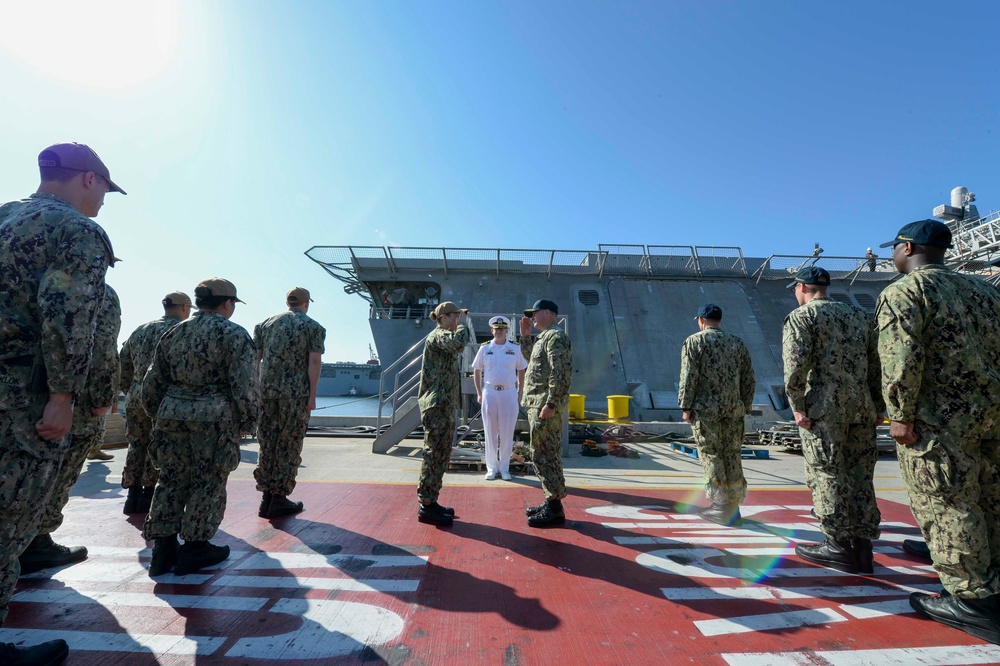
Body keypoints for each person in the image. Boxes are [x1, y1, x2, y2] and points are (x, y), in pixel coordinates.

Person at [0, 142, 123, 665]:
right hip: (22, 399)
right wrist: (62, 397)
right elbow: (66, 316)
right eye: (104, 191)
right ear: (89, 179)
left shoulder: (5, 217)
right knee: (7, 525)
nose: (102, 203)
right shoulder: (77, 230)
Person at [876, 219, 1000, 644]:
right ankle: (993, 581)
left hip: (938, 422)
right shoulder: (988, 290)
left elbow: (901, 358)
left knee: (948, 502)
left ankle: (972, 600)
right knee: (989, 498)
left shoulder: (906, 292)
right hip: (991, 415)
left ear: (907, 247)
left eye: (894, 248)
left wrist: (899, 414)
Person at [141, 278, 259, 577]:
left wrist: (160, 413)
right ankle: (195, 548)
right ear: (227, 303)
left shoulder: (173, 332)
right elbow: (243, 384)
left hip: (171, 415)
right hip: (214, 419)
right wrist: (248, 420)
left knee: (170, 478)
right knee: (208, 481)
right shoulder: (233, 334)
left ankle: (163, 549)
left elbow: (153, 381)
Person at [782, 266, 884, 574]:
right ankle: (864, 549)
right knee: (860, 477)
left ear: (802, 287)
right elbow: (875, 365)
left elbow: (795, 366)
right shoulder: (860, 317)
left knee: (828, 475)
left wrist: (797, 405)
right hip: (862, 410)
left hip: (824, 411)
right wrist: (878, 406)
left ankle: (838, 547)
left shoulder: (802, 317)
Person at [19, 285, 121, 575]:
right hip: (71, 399)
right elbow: (101, 345)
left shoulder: (25, 274)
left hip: (16, 390)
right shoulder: (97, 290)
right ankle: (35, 542)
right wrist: (102, 397)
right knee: (58, 471)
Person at [678, 304, 755, 526]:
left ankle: (720, 506)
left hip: (706, 411)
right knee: (732, 454)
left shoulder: (694, 342)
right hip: (733, 411)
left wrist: (686, 406)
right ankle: (733, 506)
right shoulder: (737, 343)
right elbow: (749, 378)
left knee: (711, 454)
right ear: (719, 320)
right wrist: (745, 405)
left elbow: (689, 376)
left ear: (701, 320)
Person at [253, 287, 326, 518]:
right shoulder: (314, 327)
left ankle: (266, 498)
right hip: (295, 396)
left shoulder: (264, 325)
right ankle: (279, 498)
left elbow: (255, 361)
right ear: (306, 303)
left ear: (288, 303)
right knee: (289, 444)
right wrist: (312, 395)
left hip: (267, 393)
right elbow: (314, 363)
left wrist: (256, 390)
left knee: (268, 443)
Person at [119, 291, 192, 514]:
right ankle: (148, 496)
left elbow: (123, 364)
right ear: (183, 308)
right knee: (157, 447)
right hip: (163, 400)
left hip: (135, 397)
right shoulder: (181, 331)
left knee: (136, 444)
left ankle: (132, 495)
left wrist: (131, 389)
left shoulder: (141, 329)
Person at [519, 299, 573, 528]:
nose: (532, 317)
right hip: (537, 404)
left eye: (535, 313)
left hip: (544, 406)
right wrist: (525, 336)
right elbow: (531, 359)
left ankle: (554, 507)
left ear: (549, 313)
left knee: (545, 454)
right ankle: (552, 502)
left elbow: (560, 372)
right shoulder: (545, 337)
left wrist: (551, 403)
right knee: (542, 453)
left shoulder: (556, 337)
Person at [415, 302, 470, 526]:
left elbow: (456, 347)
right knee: (434, 454)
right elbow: (458, 341)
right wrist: (464, 326)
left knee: (441, 454)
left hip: (444, 404)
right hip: (436, 405)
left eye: (459, 317)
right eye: (456, 316)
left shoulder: (443, 337)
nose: (458, 320)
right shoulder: (438, 335)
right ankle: (426, 505)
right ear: (445, 317)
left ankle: (431, 501)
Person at [472, 316, 527, 480]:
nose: (499, 331)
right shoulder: (484, 348)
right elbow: (476, 370)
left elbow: (522, 369)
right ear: (492, 330)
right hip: (489, 392)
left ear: (507, 331)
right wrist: (479, 393)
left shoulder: (515, 349)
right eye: (497, 329)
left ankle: (504, 468)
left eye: (502, 329)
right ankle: (491, 468)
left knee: (507, 432)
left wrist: (520, 390)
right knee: (489, 431)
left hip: (509, 392)